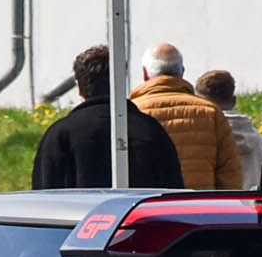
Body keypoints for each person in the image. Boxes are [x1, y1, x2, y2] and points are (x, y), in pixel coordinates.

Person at [31, 45, 183, 190]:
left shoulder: (59, 135)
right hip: (137, 217)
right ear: (121, 82)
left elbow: (44, 196)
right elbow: (170, 193)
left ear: (79, 88)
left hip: (78, 216)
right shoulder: (150, 130)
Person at [127, 42, 241, 189]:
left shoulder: (132, 112)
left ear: (145, 73)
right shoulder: (211, 113)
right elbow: (230, 176)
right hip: (199, 208)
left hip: (149, 208)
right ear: (182, 72)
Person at [196, 69, 262, 191]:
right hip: (255, 209)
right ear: (233, 101)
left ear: (199, 103)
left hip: (211, 209)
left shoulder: (196, 143)